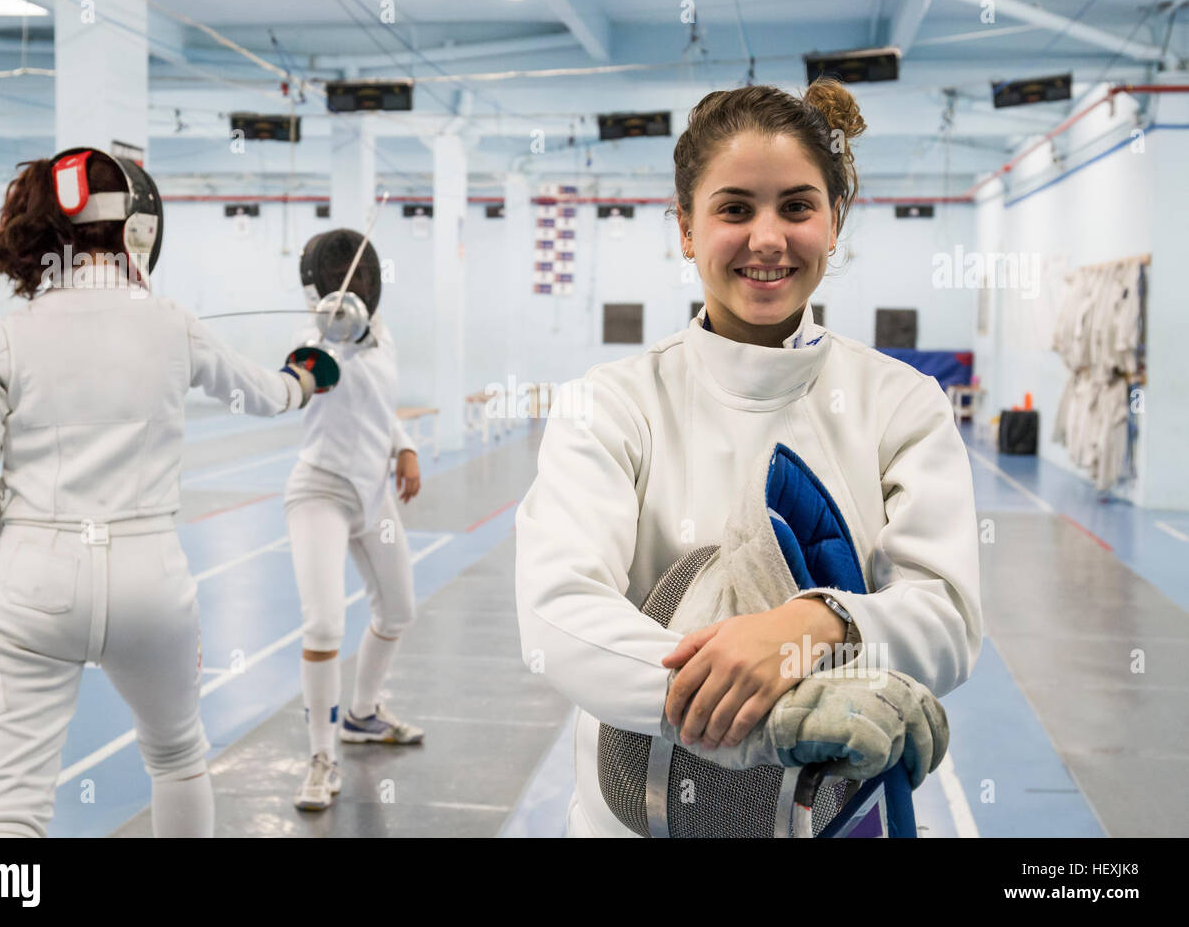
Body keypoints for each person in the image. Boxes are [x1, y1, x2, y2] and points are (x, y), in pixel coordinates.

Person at [514, 79, 984, 838]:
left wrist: (817, 627)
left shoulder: (902, 402)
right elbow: (559, 619)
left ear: (834, 225)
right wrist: (782, 712)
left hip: (840, 822)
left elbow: (946, 615)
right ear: (687, 231)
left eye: (797, 206)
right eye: (735, 209)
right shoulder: (609, 404)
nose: (768, 237)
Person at [0, 149, 318, 838]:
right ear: (137, 228)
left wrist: (29, 541)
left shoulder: (6, 336)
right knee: (176, 758)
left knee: (9, 809)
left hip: (32, 583)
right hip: (152, 580)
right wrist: (305, 376)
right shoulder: (171, 321)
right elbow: (264, 394)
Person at [285, 228, 424, 812]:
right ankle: (321, 757)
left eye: (363, 275)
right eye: (348, 276)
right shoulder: (315, 341)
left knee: (397, 610)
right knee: (322, 627)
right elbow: (316, 368)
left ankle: (362, 715)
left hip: (372, 492)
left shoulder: (381, 335)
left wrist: (404, 446)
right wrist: (322, 348)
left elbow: (377, 404)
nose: (359, 284)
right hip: (320, 490)